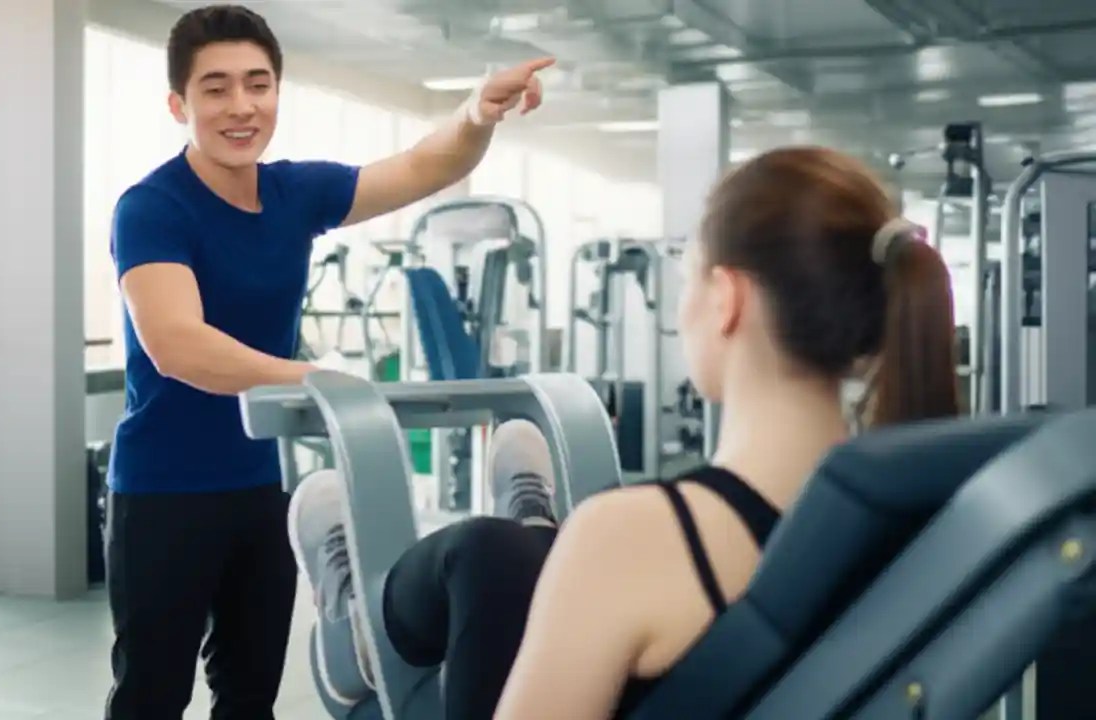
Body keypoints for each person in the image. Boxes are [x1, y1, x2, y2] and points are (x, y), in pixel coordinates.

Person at [289, 145, 962, 719]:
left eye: (687, 279)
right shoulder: (931, 534)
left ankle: (360, 620)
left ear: (726, 299)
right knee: (496, 551)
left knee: (483, 567)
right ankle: (525, 529)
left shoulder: (633, 540)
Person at [102, 4, 555, 719]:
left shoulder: (293, 192)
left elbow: (419, 167)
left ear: (278, 90)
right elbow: (177, 345)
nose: (241, 106)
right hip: (165, 491)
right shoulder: (152, 208)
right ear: (178, 103)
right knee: (151, 695)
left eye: (258, 84)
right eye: (216, 88)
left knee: (249, 694)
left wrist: (475, 115)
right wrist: (317, 380)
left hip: (263, 483)